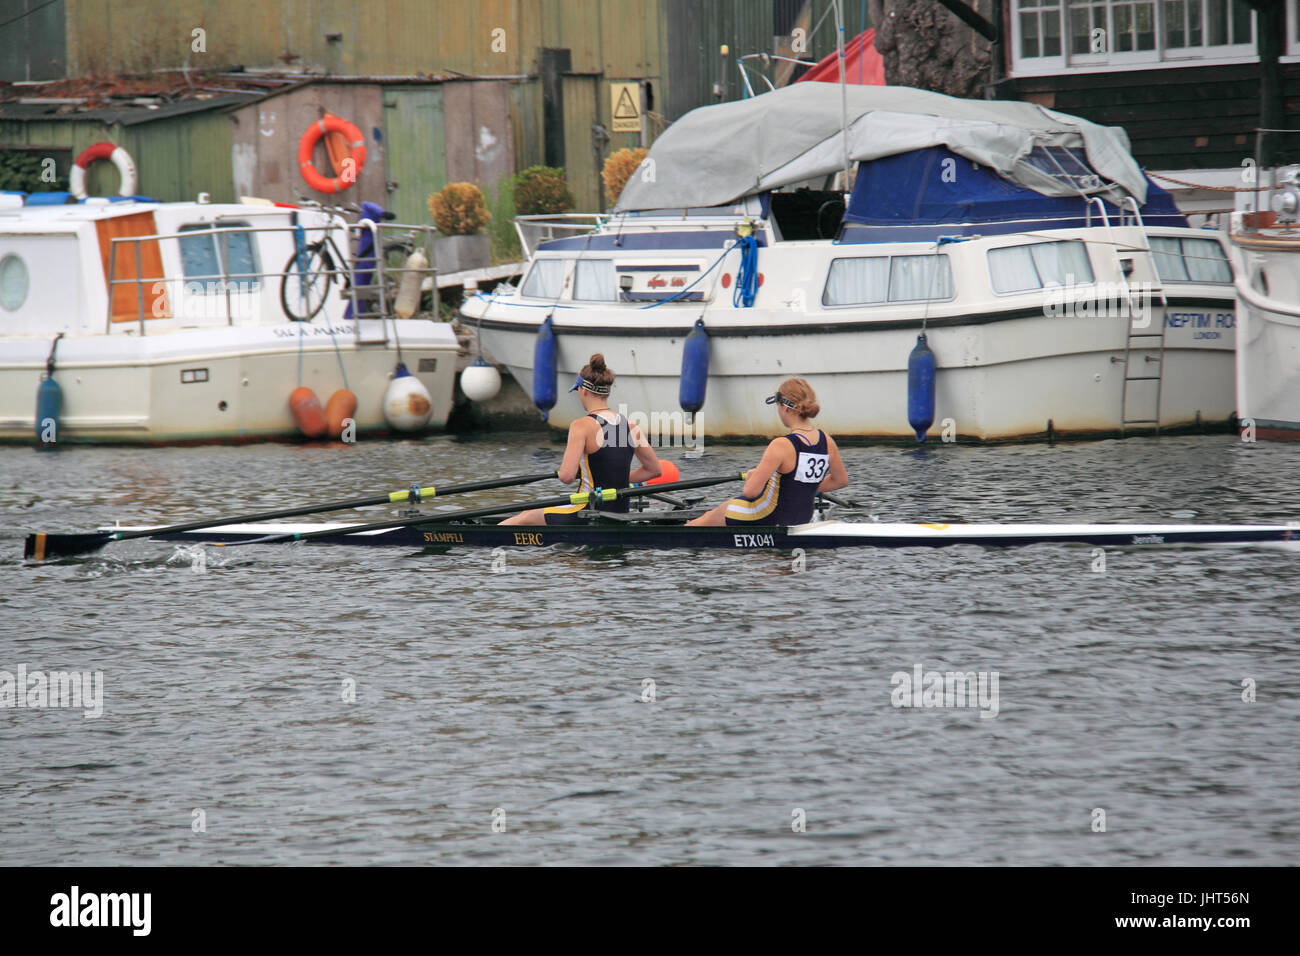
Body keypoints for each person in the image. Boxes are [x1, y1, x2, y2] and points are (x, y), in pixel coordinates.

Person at [500, 353, 662, 525]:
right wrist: (615, 479)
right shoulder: (631, 426)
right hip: (620, 511)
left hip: (587, 511)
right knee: (537, 513)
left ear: (583, 390)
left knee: (527, 515)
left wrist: (578, 473)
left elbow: (567, 476)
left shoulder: (581, 426)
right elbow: (654, 470)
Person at [686, 377, 846, 527]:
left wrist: (752, 477)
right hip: (802, 517)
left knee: (713, 514)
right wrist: (803, 487)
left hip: (768, 515)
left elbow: (750, 491)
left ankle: (682, 533)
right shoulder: (827, 441)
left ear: (784, 408)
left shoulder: (781, 444)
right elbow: (840, 481)